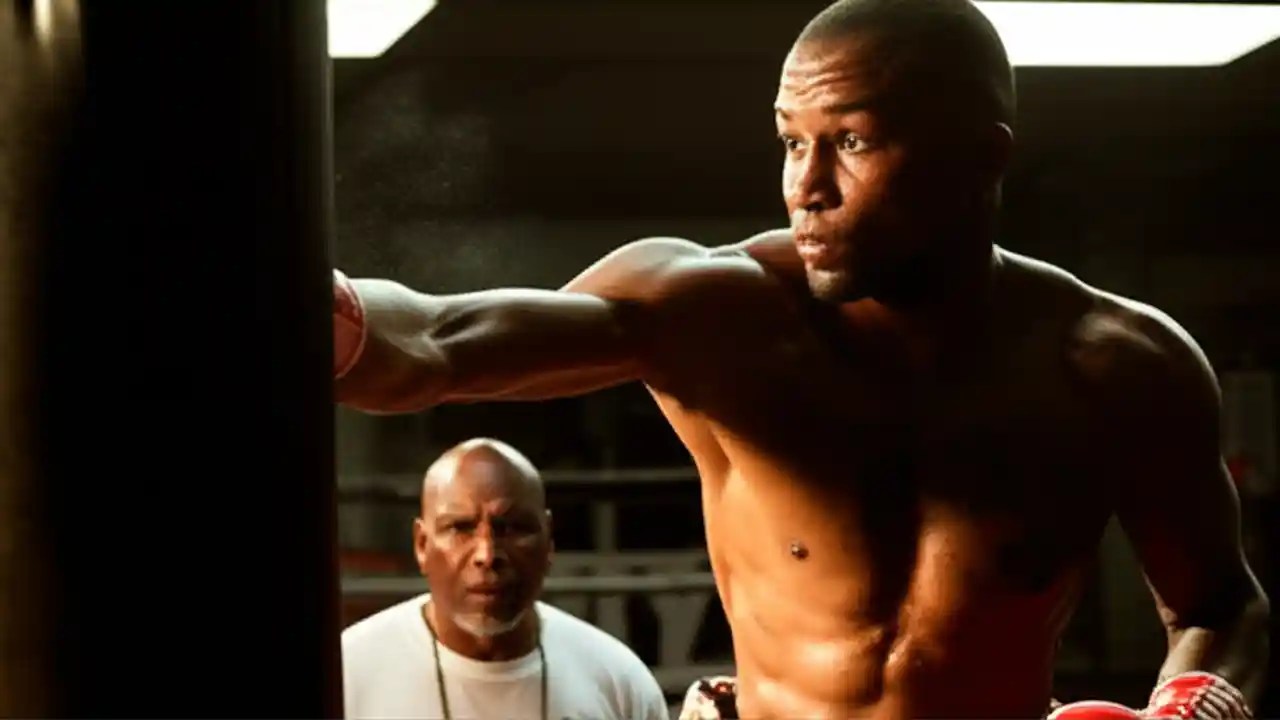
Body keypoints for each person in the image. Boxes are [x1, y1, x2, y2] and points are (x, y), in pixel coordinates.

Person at [331, 0, 1270, 717]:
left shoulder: (1119, 366)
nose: (804, 189)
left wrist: (1191, 709)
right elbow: (436, 343)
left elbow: (1220, 607)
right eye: (791, 142)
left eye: (851, 142)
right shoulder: (716, 314)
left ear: (982, 158)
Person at [340, 438, 669, 720]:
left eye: (512, 527)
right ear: (422, 545)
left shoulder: (616, 679)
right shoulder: (349, 673)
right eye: (460, 528)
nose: (487, 553)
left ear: (548, 541)